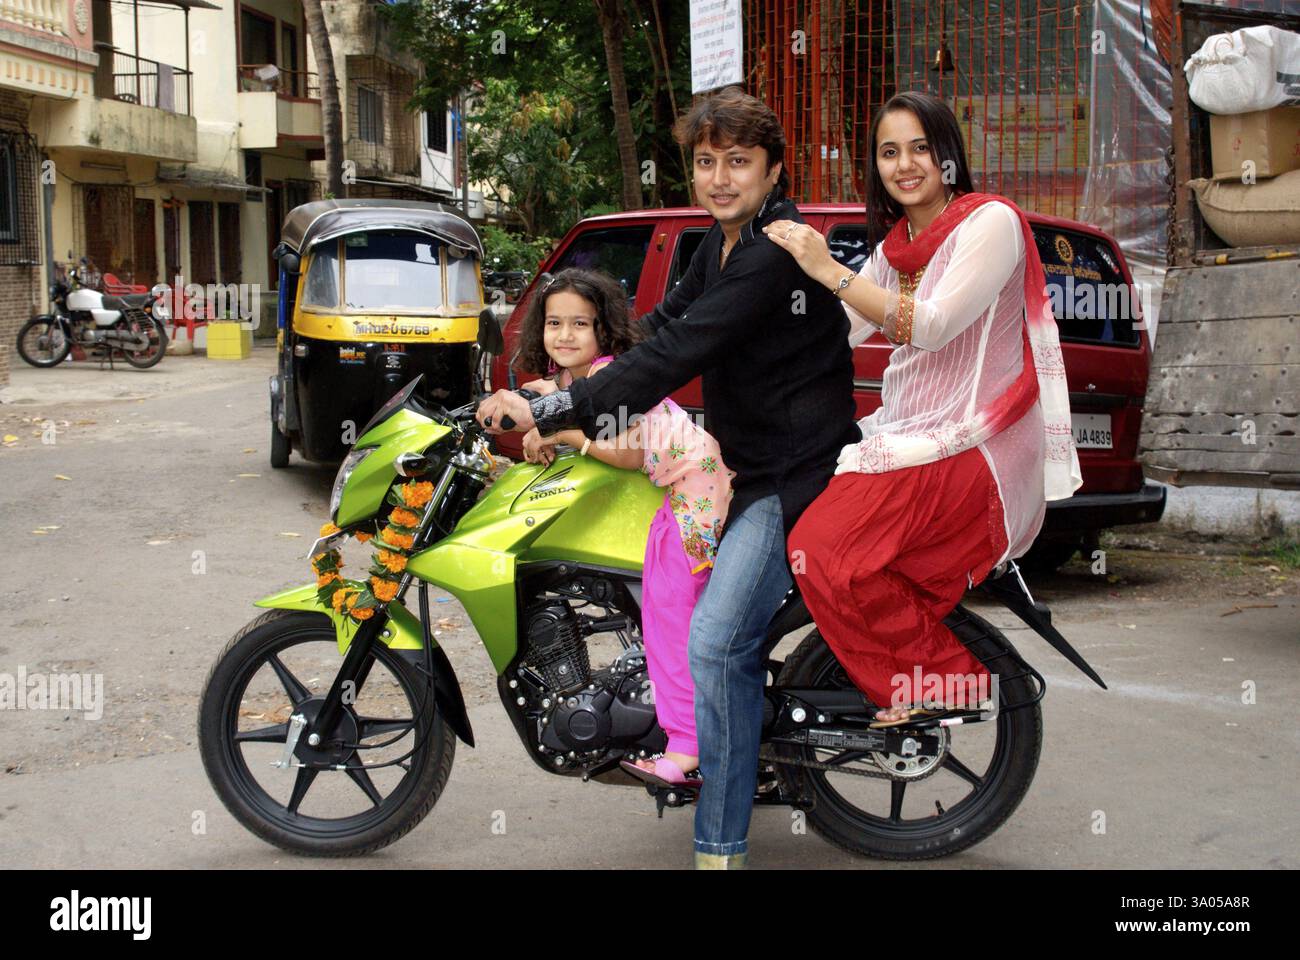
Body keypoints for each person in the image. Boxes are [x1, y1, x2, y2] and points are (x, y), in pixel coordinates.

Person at [478, 87, 858, 869]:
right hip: (743, 461)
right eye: (706, 162)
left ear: (773, 170)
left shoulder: (769, 255)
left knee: (718, 641)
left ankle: (719, 847)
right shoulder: (709, 247)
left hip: (789, 476)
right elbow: (656, 333)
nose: (720, 178)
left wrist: (558, 412)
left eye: (739, 163)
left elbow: (676, 358)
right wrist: (568, 380)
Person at [768, 91, 1081, 726]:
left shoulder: (987, 223)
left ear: (947, 155)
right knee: (826, 554)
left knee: (822, 548)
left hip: (971, 444)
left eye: (920, 148)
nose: (905, 164)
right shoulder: (896, 247)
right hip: (909, 435)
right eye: (889, 152)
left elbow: (931, 326)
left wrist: (828, 268)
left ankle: (944, 681)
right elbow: (839, 331)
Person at [513, 268, 736, 787]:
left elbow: (632, 451)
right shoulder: (577, 380)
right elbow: (551, 396)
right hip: (678, 490)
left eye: (579, 324)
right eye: (553, 323)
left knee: (669, 615)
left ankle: (686, 747)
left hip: (696, 491)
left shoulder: (612, 375)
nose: (564, 335)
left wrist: (572, 437)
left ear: (604, 332)